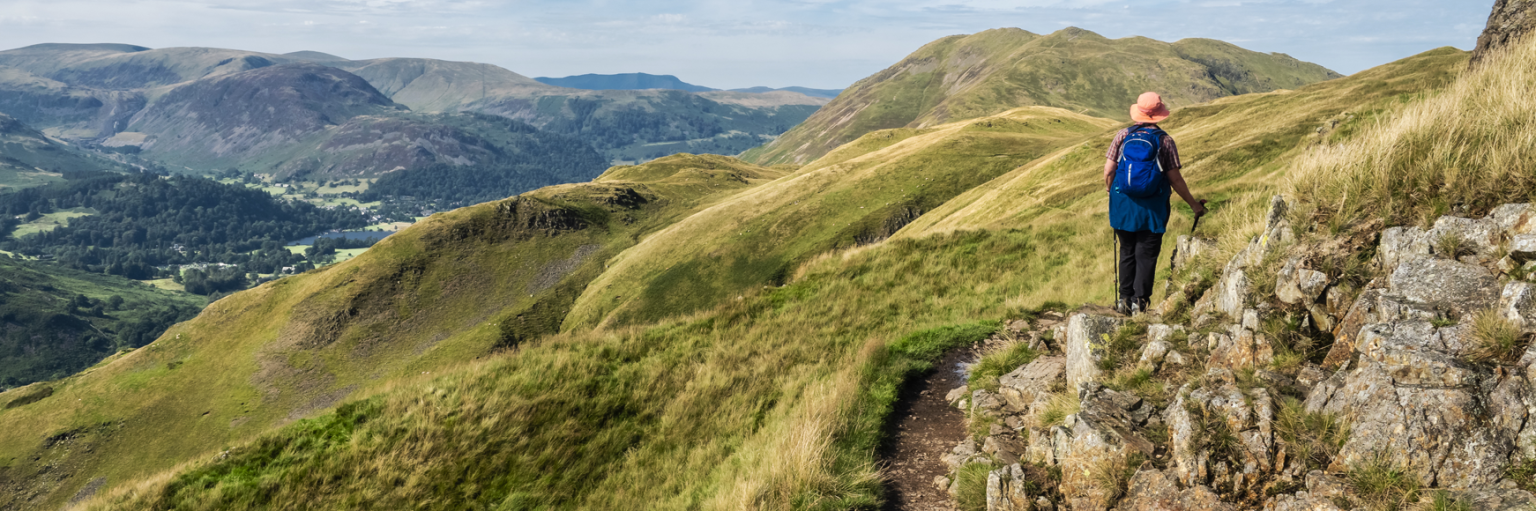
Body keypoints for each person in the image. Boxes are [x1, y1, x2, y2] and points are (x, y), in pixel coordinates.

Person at [1104, 92, 1206, 315]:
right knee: (1146, 254)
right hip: (1153, 208)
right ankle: (1139, 303)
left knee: (1126, 250)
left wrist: (1111, 192)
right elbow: (1175, 178)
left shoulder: (1122, 135)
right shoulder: (1164, 141)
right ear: (1159, 114)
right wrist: (1194, 204)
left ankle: (1123, 300)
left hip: (1123, 205)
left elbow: (1109, 171)